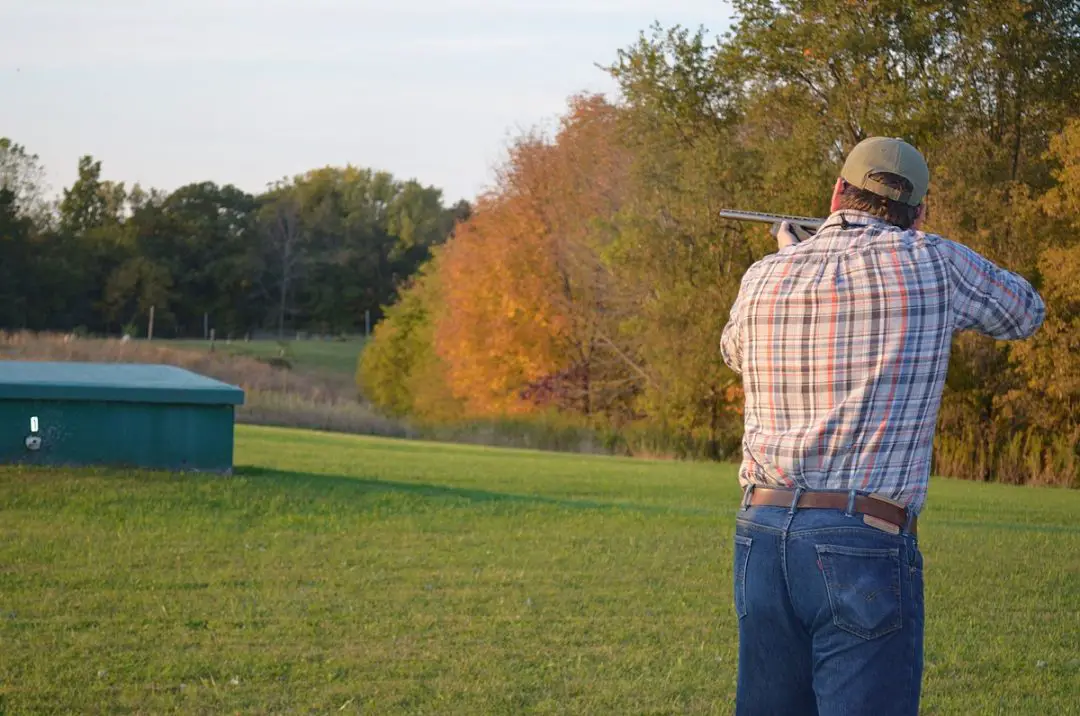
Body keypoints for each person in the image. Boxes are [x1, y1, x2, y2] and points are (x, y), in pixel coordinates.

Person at [719, 136, 1045, 716]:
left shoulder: (764, 274)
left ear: (838, 192)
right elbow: (1027, 311)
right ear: (919, 210)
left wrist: (795, 252)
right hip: (864, 534)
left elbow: (736, 352)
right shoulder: (936, 260)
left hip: (762, 530)